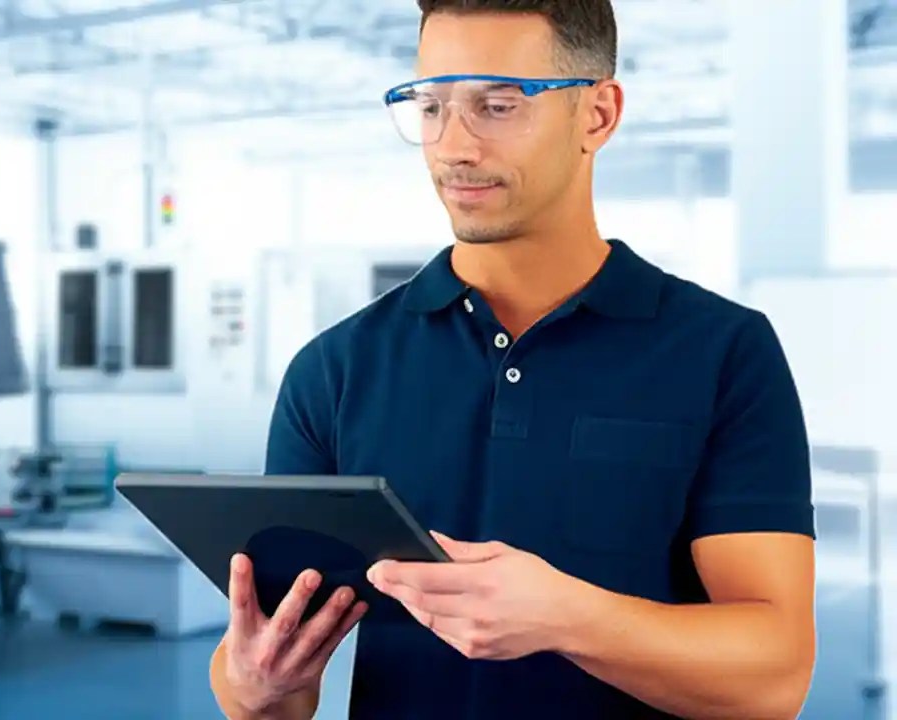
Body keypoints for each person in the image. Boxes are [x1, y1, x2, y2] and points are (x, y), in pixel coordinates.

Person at [209, 0, 818, 718]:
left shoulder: (723, 353)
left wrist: (569, 617)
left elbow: (774, 678)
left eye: (498, 105)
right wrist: (253, 686)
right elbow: (272, 682)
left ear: (597, 115)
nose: (453, 146)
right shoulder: (335, 370)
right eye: (430, 106)